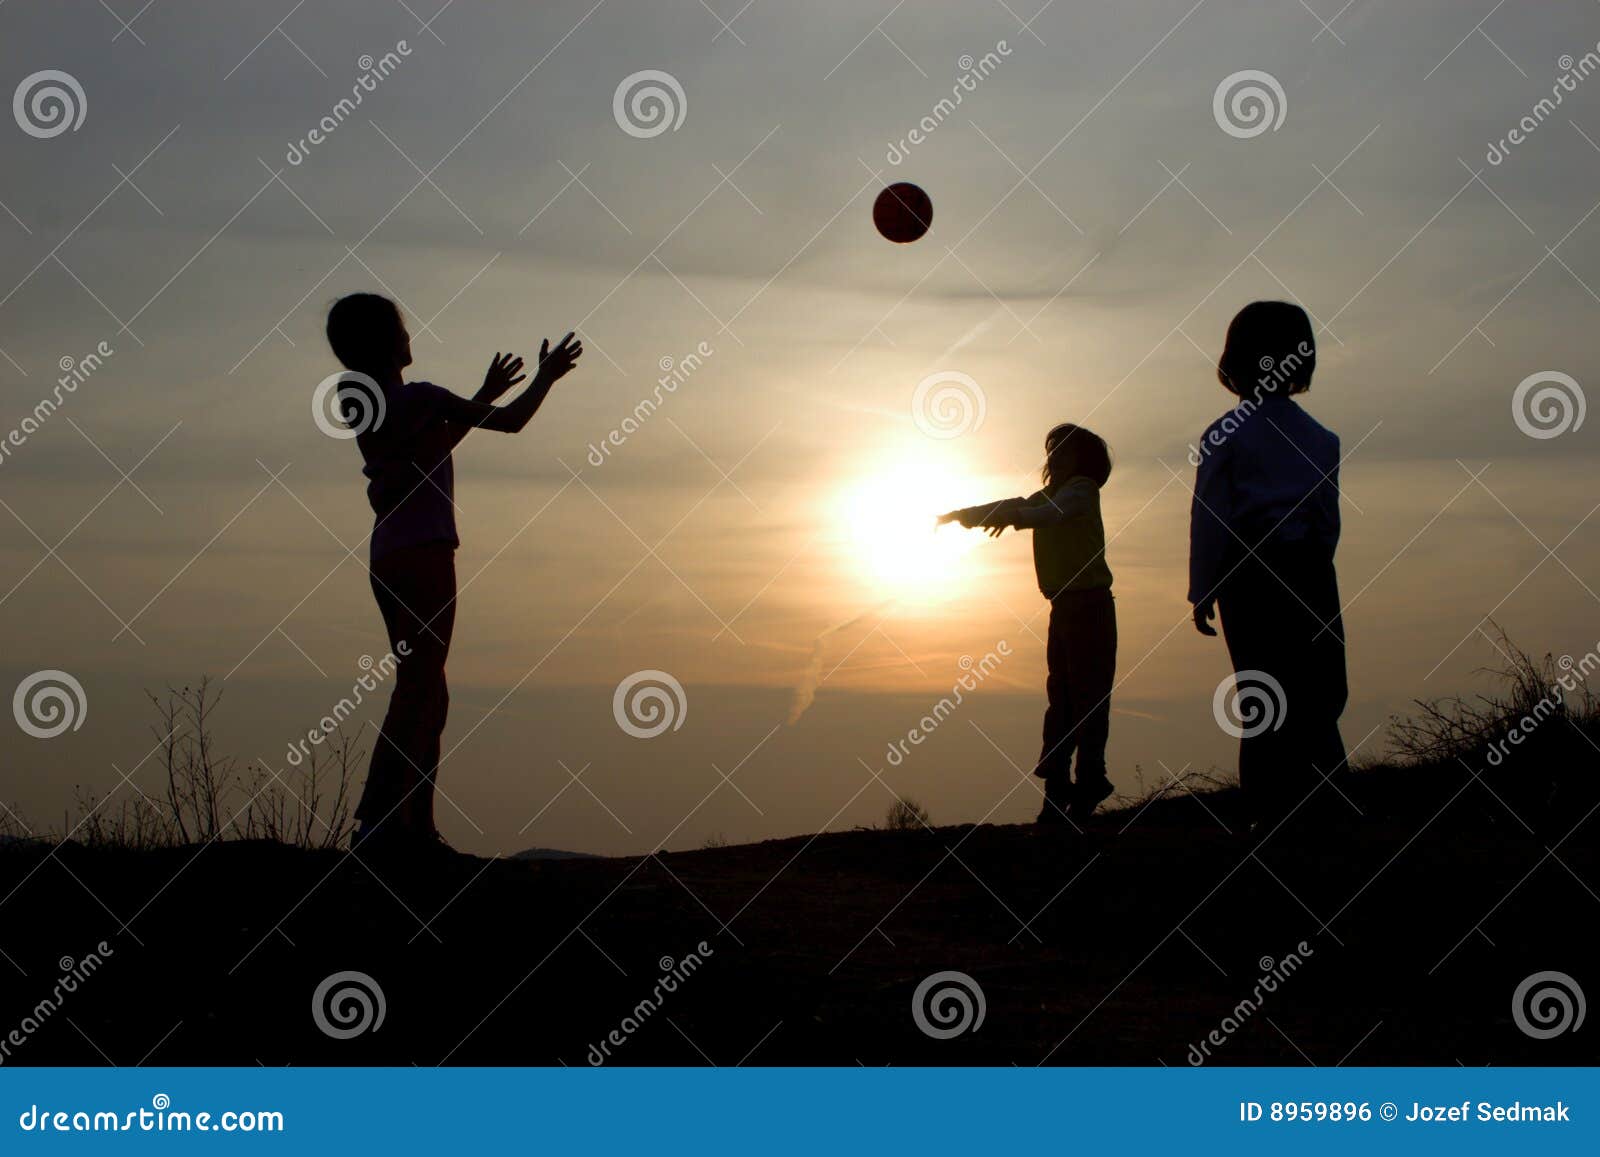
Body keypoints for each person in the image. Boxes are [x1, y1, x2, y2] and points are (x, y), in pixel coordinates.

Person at [322, 293, 582, 856]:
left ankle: (412, 827)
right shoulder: (422, 398)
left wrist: (480, 397)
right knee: (420, 690)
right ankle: (381, 824)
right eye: (403, 326)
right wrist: (546, 378)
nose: (411, 333)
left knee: (428, 691)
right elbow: (511, 425)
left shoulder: (378, 406)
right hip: (426, 555)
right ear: (389, 341)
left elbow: (425, 456)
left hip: (389, 556)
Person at [1188, 300, 1346, 833]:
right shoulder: (1323, 439)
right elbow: (1328, 524)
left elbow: (1209, 515)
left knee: (1262, 689)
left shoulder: (1225, 434)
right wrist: (1314, 570)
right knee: (1319, 688)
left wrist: (1202, 587)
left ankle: (1268, 808)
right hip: (1310, 573)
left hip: (1248, 573)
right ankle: (1325, 798)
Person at [939, 424, 1117, 825]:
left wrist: (1016, 518)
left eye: (1062, 451)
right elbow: (1018, 504)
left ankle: (1087, 781)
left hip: (1090, 608)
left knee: (1087, 700)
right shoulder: (1050, 495)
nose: (1053, 458)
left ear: (1081, 459)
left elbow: (1046, 515)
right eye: (1052, 451)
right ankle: (1058, 790)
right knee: (1062, 701)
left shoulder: (1083, 490)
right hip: (1065, 609)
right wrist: (961, 516)